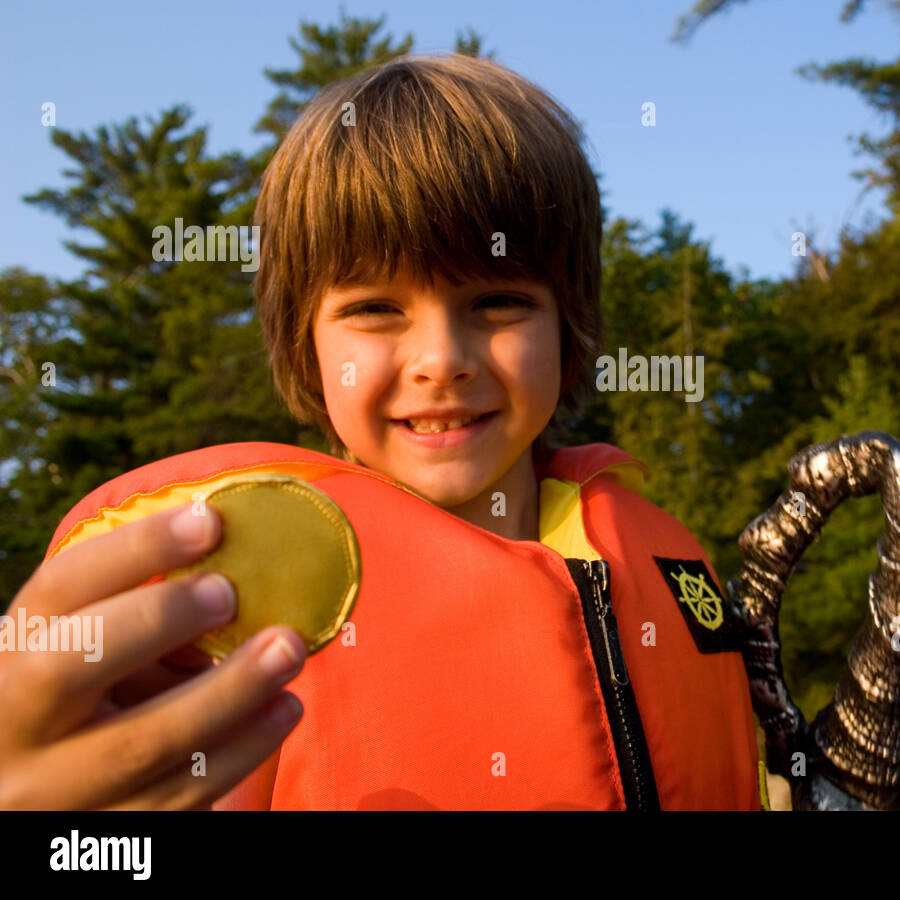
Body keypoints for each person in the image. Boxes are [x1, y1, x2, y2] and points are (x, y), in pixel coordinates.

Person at [1, 55, 764, 810]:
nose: (442, 361)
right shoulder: (230, 609)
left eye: (498, 301)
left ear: (568, 327)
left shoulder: (673, 562)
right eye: (374, 309)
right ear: (306, 345)